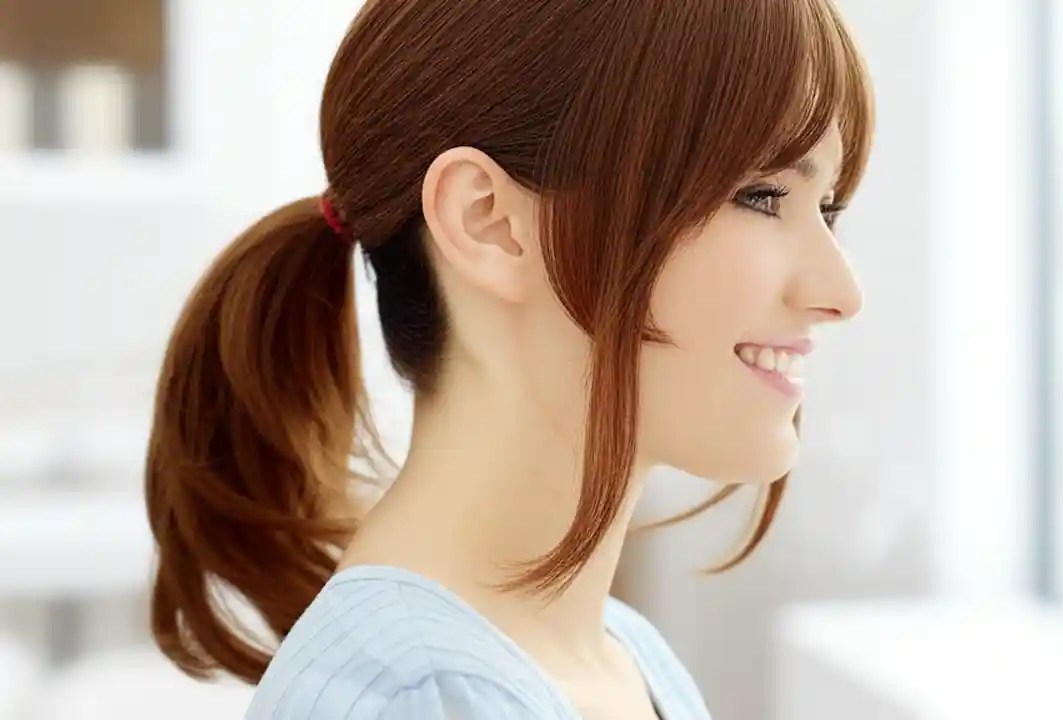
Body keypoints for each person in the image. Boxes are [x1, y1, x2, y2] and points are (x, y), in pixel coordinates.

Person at [142, 0, 874, 717]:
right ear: (487, 222)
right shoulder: (421, 701)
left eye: (829, 210)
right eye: (762, 195)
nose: (841, 292)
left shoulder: (624, 659)